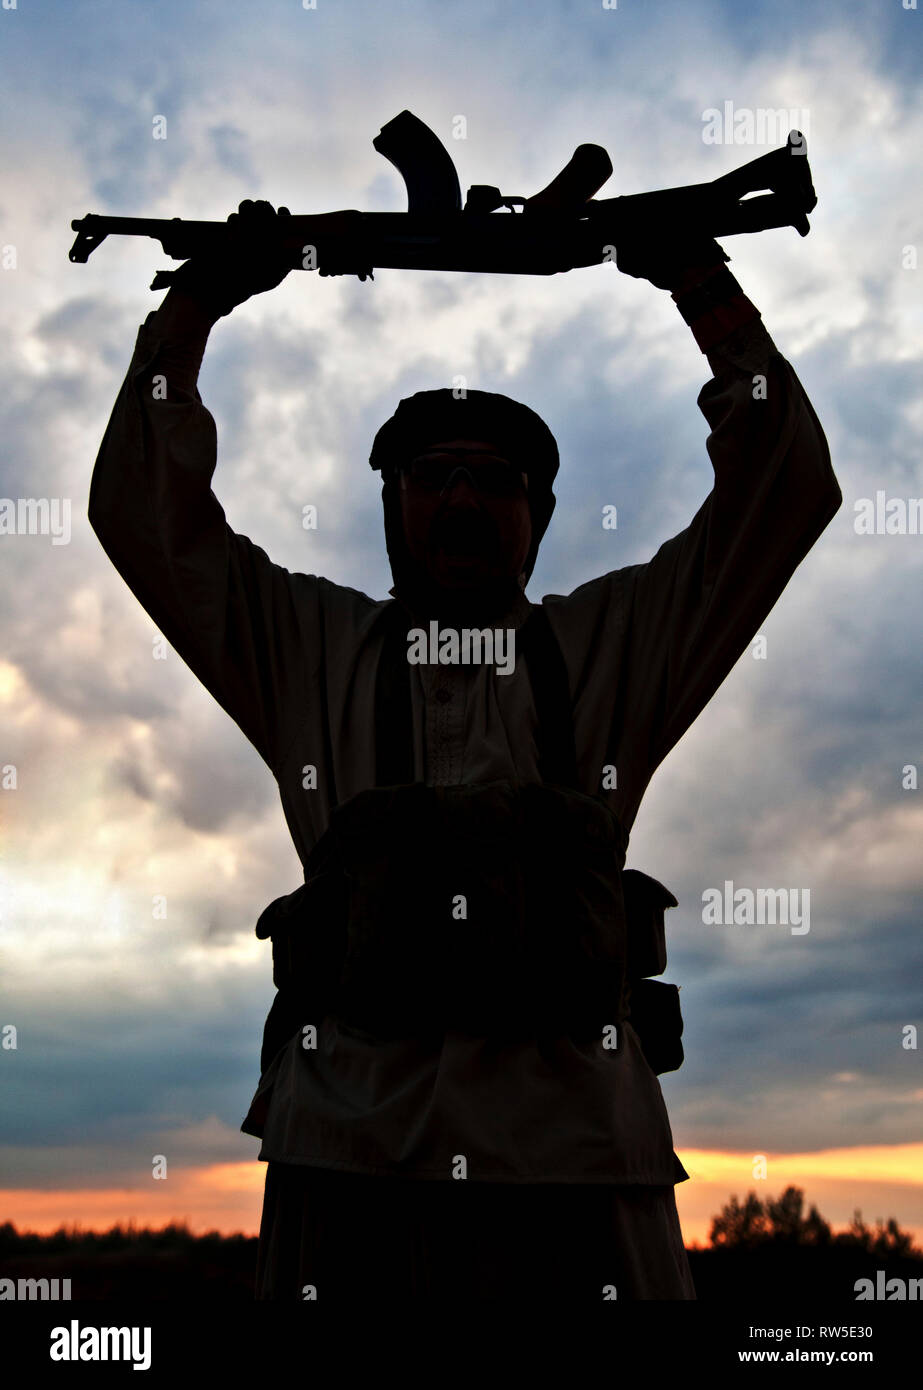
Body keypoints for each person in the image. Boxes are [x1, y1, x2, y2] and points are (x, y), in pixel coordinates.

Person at [88, 200, 841, 1301]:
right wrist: (197, 305)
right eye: (430, 475)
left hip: (580, 1158)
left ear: (535, 515)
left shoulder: (614, 644)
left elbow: (782, 487)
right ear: (391, 509)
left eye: (494, 479)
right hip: (345, 1153)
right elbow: (143, 509)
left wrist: (700, 289)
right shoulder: (304, 645)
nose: (461, 498)